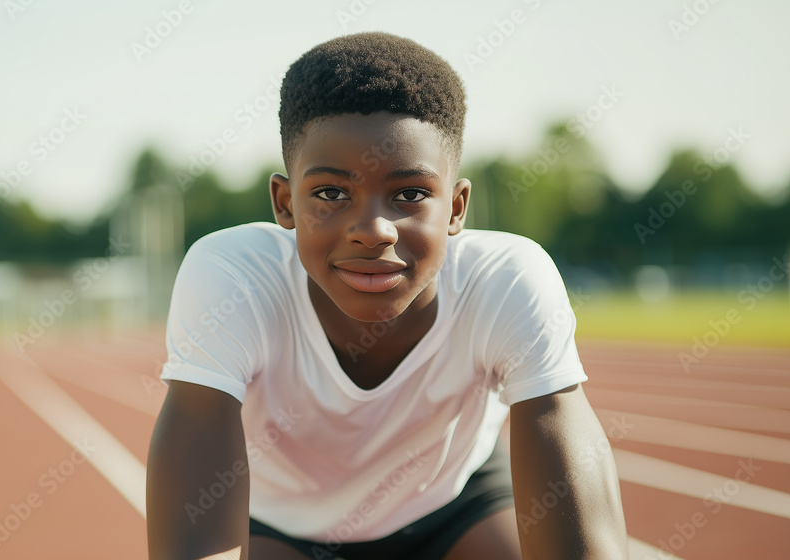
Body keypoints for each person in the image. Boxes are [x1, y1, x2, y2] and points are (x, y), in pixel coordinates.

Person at [147, 32, 628, 560]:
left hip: (451, 504)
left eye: (410, 194)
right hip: (279, 524)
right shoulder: (231, 279)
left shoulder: (507, 280)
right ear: (285, 204)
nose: (374, 230)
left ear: (456, 208)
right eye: (331, 193)